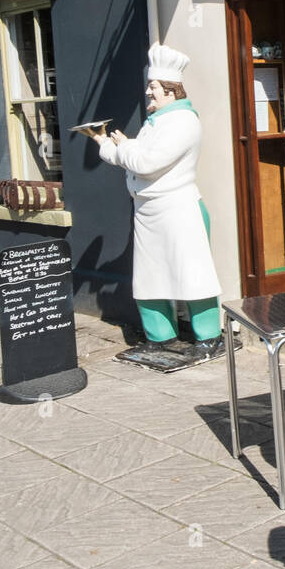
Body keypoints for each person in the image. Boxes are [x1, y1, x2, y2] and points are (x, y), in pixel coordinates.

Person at [81, 43, 223, 357]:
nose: (149, 92)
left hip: (178, 210)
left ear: (172, 91)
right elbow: (129, 157)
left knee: (192, 274)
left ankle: (209, 337)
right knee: (150, 277)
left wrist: (125, 146)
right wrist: (105, 142)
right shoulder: (155, 122)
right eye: (149, 86)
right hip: (148, 212)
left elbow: (146, 162)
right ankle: (160, 336)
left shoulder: (184, 123)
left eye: (154, 87)